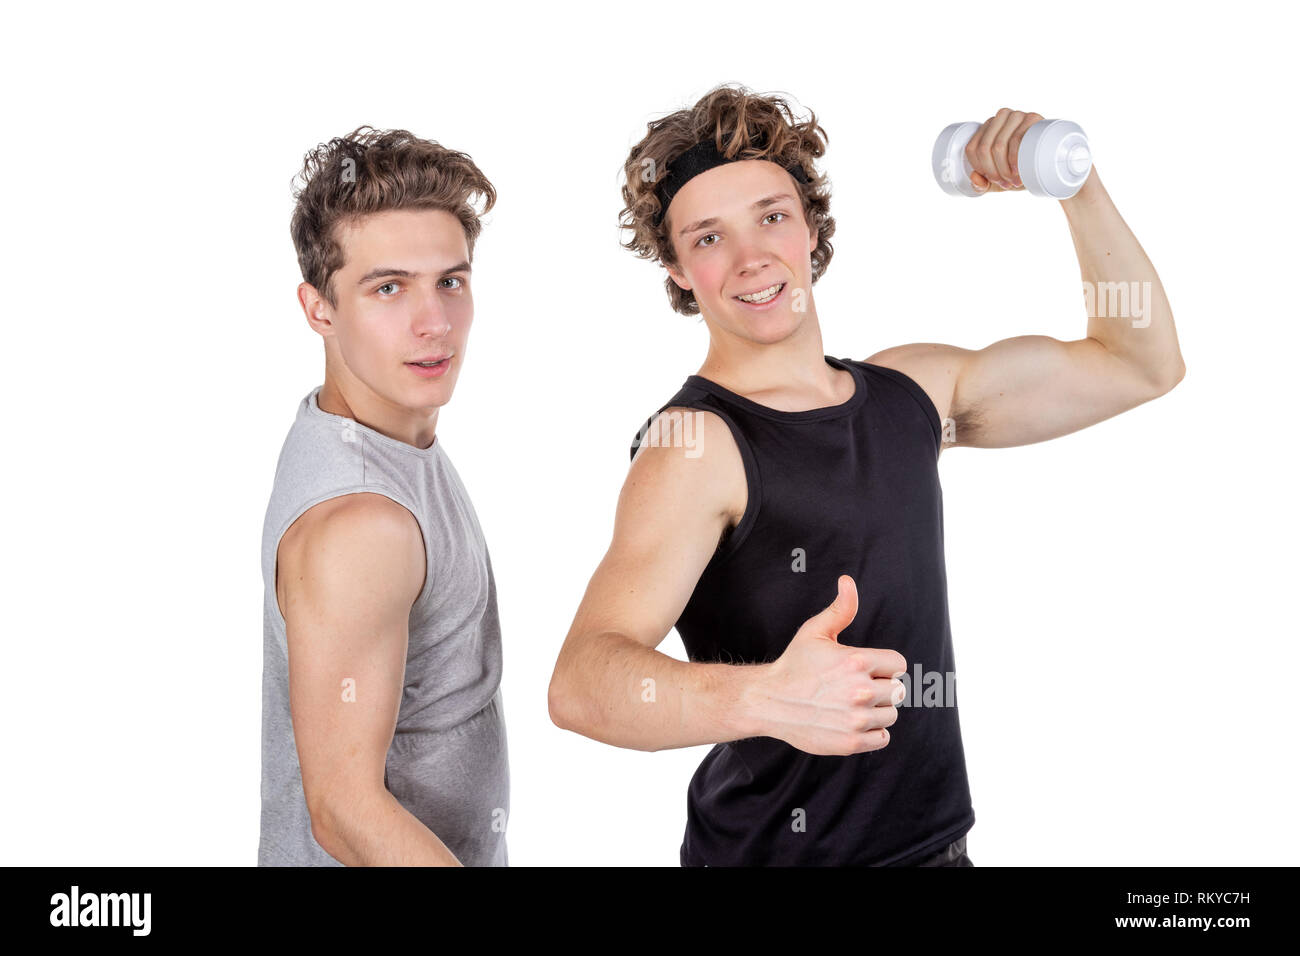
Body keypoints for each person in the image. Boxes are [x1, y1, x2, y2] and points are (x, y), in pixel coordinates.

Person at [548, 86, 1185, 866]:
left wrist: (1073, 183)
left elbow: (1139, 364)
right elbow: (580, 683)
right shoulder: (695, 446)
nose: (753, 257)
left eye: (772, 216)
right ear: (679, 271)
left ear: (811, 227)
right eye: (709, 238)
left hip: (935, 851)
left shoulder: (910, 393)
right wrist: (763, 698)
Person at [259, 127, 508, 866]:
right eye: (389, 288)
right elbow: (343, 810)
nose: (434, 322)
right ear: (319, 309)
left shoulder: (377, 431)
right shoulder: (362, 522)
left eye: (450, 282)